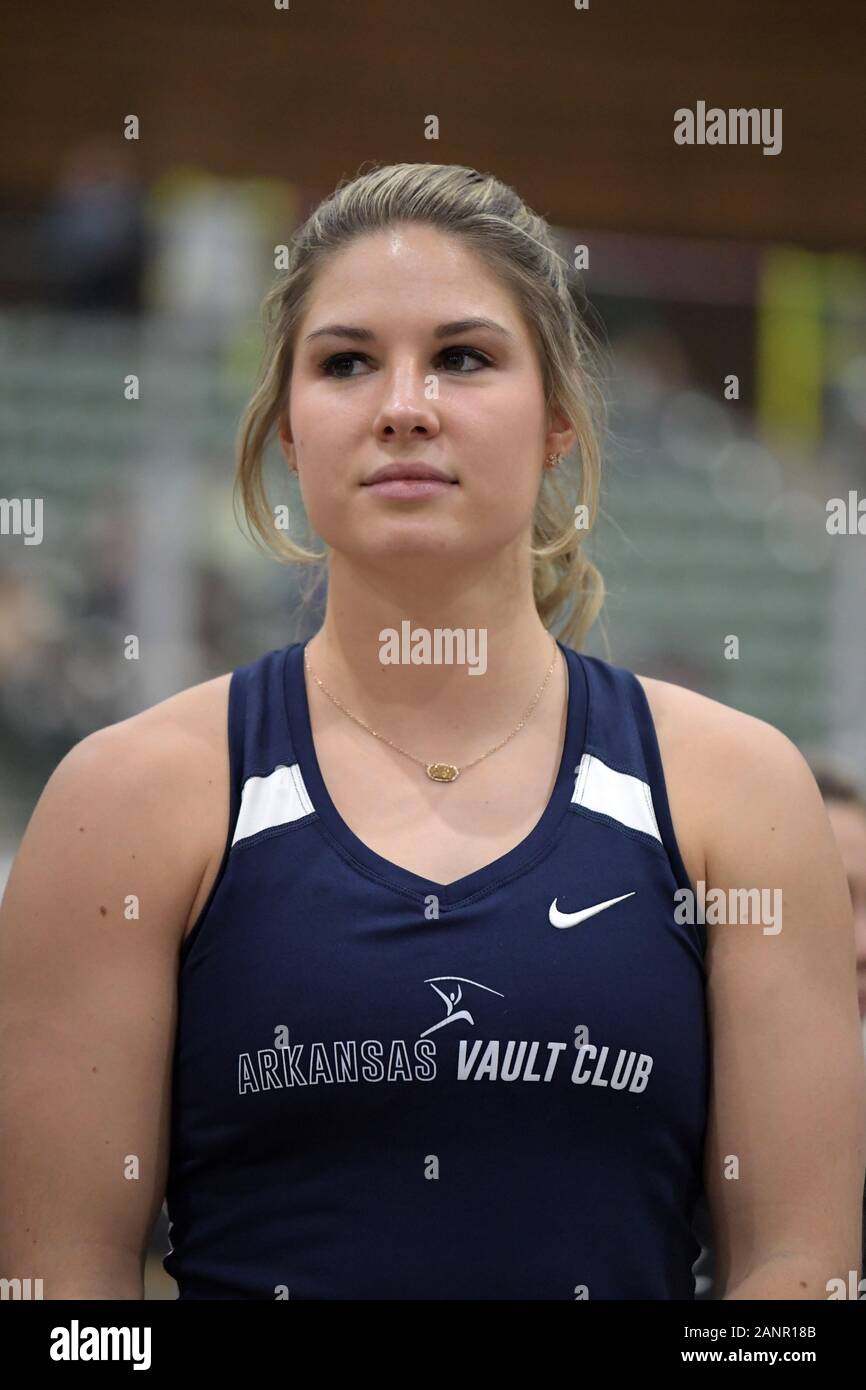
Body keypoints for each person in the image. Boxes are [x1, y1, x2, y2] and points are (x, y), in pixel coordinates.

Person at [1, 162, 864, 1301]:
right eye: (346, 361)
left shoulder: (734, 794)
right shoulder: (126, 801)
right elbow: (64, 1303)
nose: (403, 404)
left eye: (463, 357)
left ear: (559, 418)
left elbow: (795, 1276)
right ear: (290, 432)